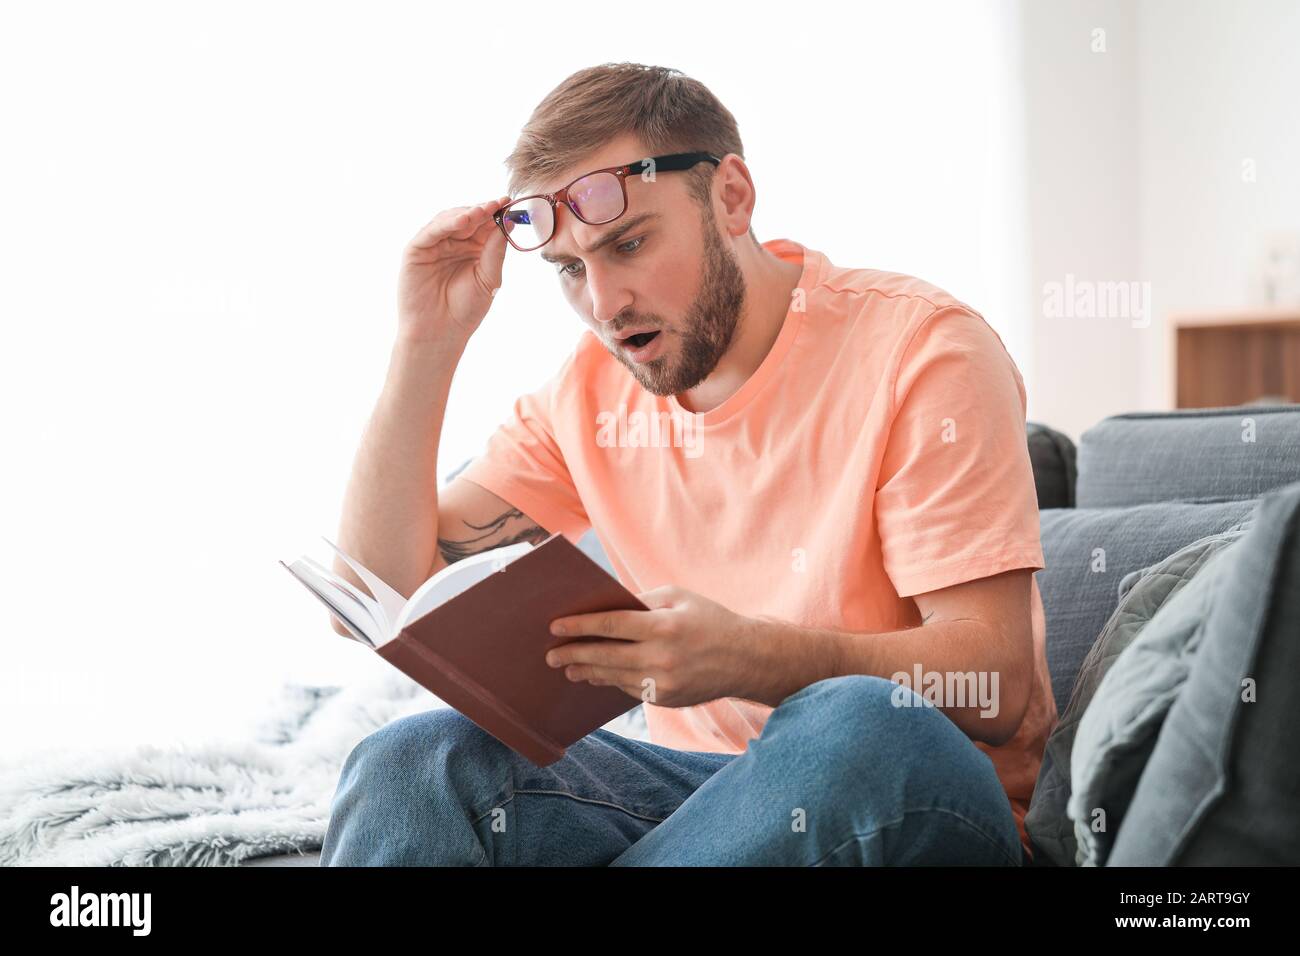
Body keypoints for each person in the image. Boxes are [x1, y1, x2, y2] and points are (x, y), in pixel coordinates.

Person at [319, 62, 1056, 866]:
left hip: (906, 789)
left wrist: (751, 656)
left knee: (857, 723)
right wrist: (425, 345)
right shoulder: (589, 393)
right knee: (413, 763)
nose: (603, 303)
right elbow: (373, 595)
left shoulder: (923, 350)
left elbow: (993, 682)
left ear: (731, 197)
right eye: (569, 269)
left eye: (628, 244)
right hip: (702, 801)